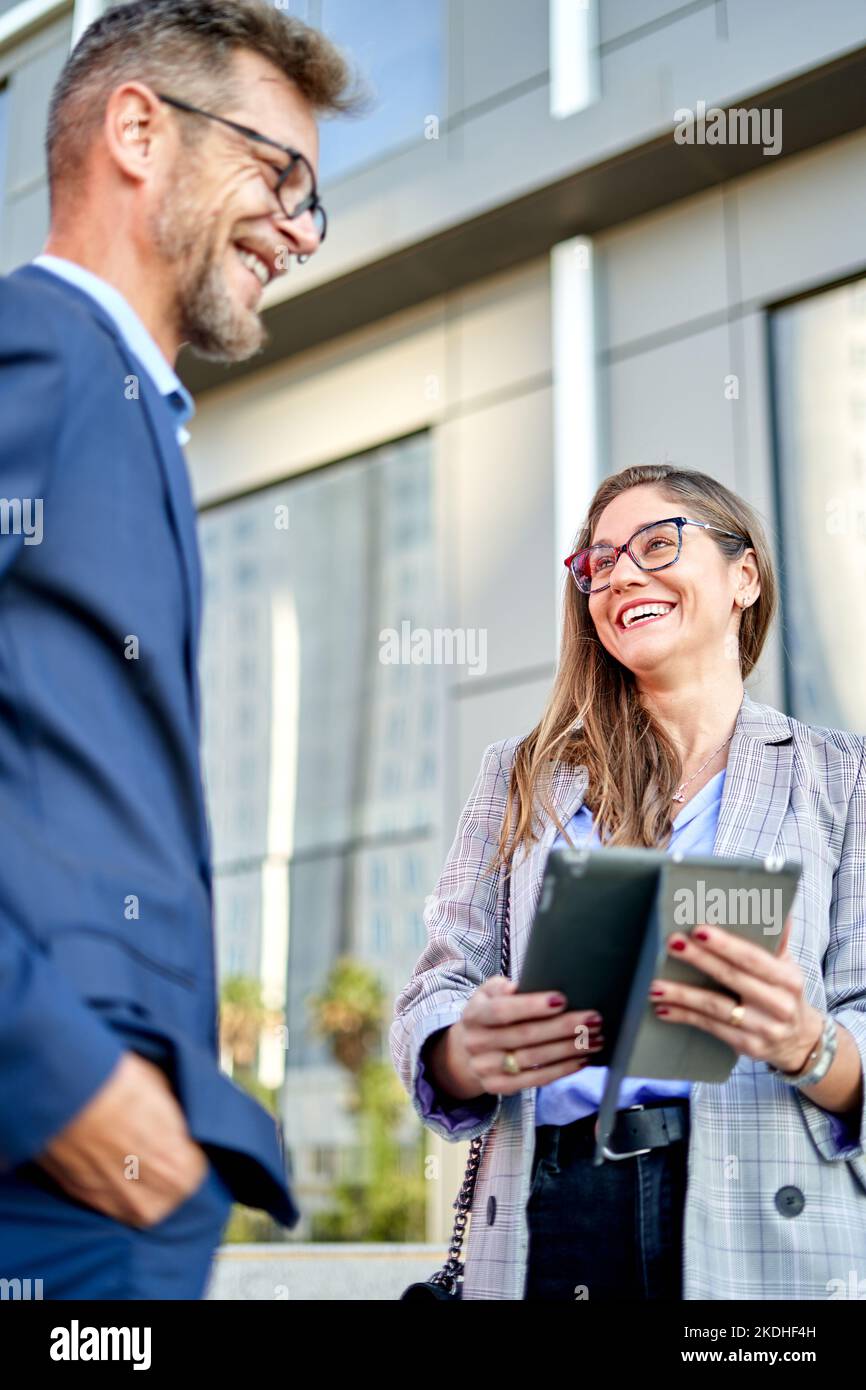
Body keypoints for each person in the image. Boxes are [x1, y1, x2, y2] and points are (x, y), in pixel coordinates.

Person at [0, 0, 359, 1299]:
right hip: (51, 1184)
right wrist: (59, 1080)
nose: (302, 229)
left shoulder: (126, 403)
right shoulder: (41, 343)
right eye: (282, 173)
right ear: (138, 131)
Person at [391, 463, 866, 1301]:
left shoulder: (843, 777)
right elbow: (441, 984)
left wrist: (807, 1044)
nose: (622, 576)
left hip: (764, 1215)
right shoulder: (523, 775)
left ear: (743, 576)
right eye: (600, 563)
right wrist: (468, 1047)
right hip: (558, 1214)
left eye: (656, 544)